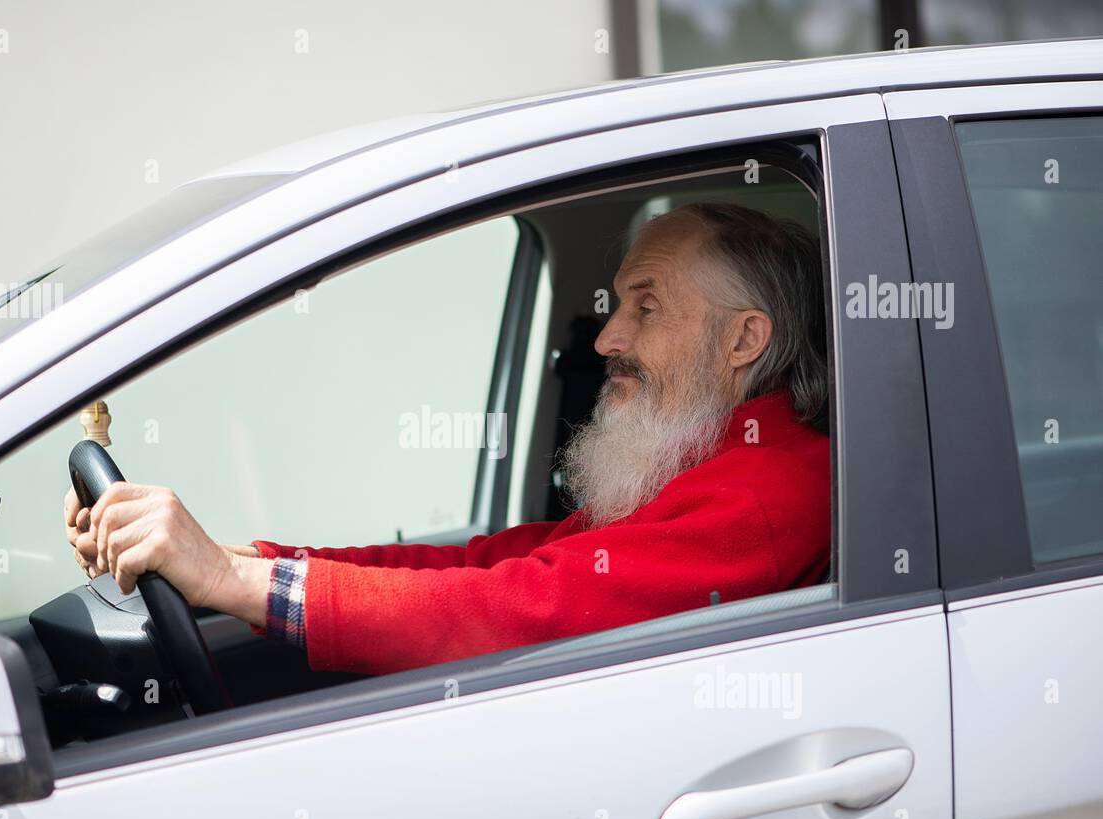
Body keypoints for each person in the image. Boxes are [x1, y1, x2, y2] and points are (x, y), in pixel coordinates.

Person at [64, 201, 831, 676]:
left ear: (744, 340)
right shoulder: (714, 458)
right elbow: (489, 562)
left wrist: (232, 586)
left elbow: (523, 607)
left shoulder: (771, 489)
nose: (606, 340)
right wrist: (227, 559)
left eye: (647, 308)